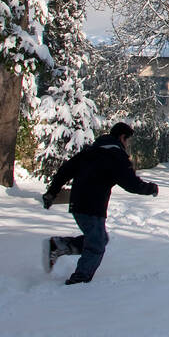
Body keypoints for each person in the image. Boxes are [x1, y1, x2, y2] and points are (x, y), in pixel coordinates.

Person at [41, 122, 158, 285]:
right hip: (92, 206)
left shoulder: (91, 151)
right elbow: (130, 183)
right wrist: (150, 188)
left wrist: (51, 193)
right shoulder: (116, 156)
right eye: (127, 140)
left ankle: (60, 245)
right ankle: (80, 279)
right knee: (96, 244)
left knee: (99, 239)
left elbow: (65, 170)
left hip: (78, 203)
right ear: (122, 137)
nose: (127, 144)